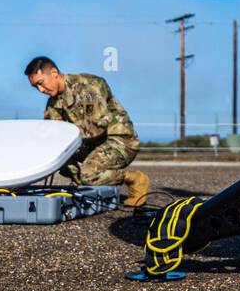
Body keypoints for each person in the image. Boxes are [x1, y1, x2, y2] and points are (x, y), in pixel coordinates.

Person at [25, 56, 148, 207]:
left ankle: (134, 179)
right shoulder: (53, 103)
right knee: (59, 158)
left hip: (119, 141)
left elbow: (97, 129)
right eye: (35, 87)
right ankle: (85, 182)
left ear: (54, 72)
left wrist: (68, 145)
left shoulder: (89, 86)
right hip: (92, 144)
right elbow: (53, 136)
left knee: (87, 174)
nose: (40, 90)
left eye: (40, 83)